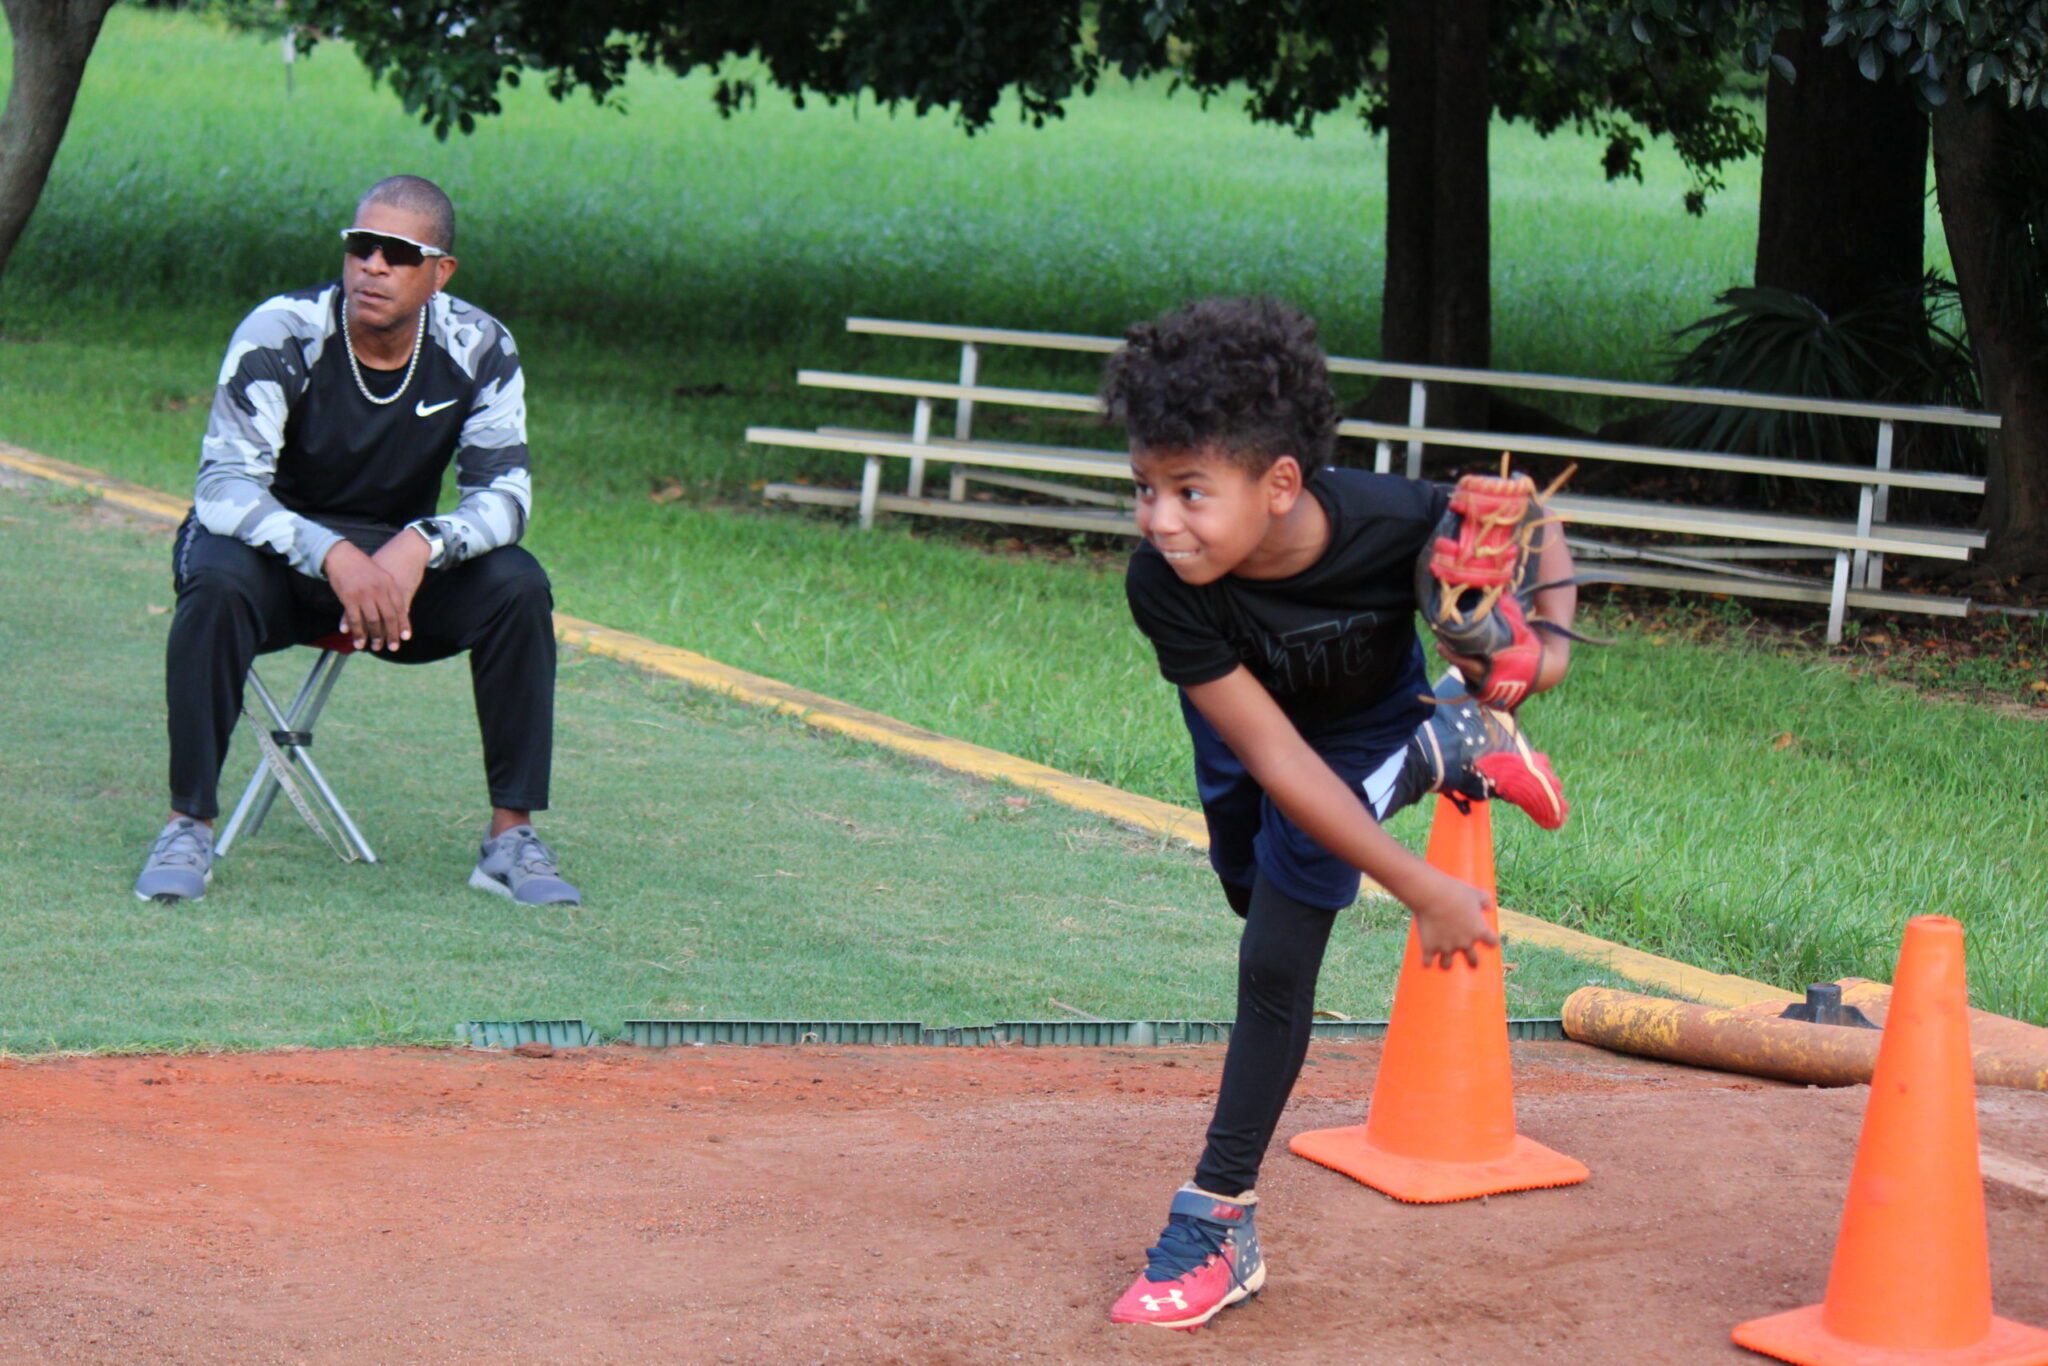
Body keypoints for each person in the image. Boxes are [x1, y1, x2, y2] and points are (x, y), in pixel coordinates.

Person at [1101, 297, 1577, 1330]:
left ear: (1279, 484)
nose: (1158, 518)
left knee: (1275, 959)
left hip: (1364, 733)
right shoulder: (1163, 581)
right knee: (1251, 883)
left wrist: (1539, 647)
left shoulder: (1397, 521)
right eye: (1144, 487)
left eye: (1188, 490)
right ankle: (1460, 746)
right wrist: (1422, 884)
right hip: (1250, 743)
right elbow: (1268, 752)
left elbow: (1534, 517)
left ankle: (1215, 1217)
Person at [133, 174, 578, 908]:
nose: (372, 265)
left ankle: (510, 839)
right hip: (272, 560)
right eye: (360, 246)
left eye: (397, 252)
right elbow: (224, 489)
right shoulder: (282, 330)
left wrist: (418, 547)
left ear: (440, 273)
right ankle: (189, 824)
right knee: (214, 582)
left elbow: (507, 497)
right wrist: (332, 555)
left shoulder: (479, 346)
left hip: (390, 576)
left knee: (518, 587)